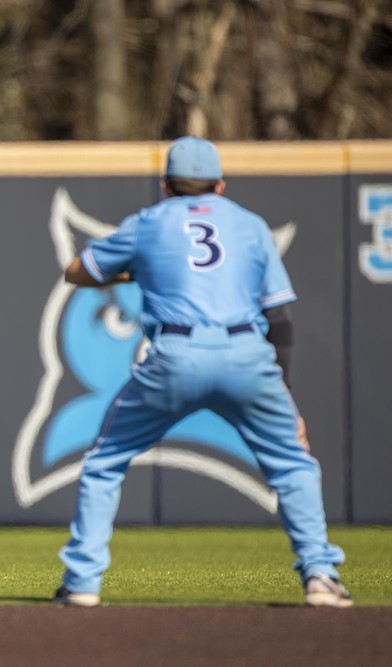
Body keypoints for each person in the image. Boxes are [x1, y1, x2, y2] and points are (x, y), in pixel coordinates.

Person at [54, 136, 351, 608]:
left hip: (176, 353)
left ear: (166, 185)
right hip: (246, 354)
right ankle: (320, 576)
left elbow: (76, 271)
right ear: (220, 184)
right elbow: (280, 319)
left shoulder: (148, 223)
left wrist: (134, 271)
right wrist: (287, 399)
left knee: (105, 460)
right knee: (293, 464)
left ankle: (83, 583)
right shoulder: (250, 226)